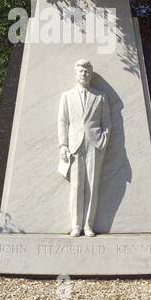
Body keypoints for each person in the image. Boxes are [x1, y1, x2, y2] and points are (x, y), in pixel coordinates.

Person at [56, 59, 113, 236]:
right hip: (74, 145)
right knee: (77, 186)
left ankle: (88, 225)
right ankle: (76, 225)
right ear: (75, 74)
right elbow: (62, 121)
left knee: (92, 186)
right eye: (81, 71)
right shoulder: (67, 96)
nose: (84, 74)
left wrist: (103, 140)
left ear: (91, 74)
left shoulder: (100, 96)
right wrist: (63, 145)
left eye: (87, 71)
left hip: (94, 144)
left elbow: (107, 122)